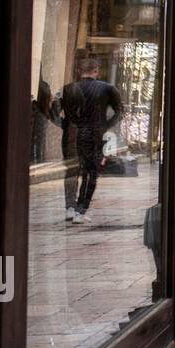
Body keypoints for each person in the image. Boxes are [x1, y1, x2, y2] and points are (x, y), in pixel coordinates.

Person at [58, 56, 122, 224]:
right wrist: (105, 126)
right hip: (94, 134)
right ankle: (81, 209)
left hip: (73, 134)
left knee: (71, 171)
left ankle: (70, 208)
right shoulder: (107, 89)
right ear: (96, 71)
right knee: (90, 172)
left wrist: (75, 123)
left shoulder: (68, 89)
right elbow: (119, 112)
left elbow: (61, 112)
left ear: (79, 72)